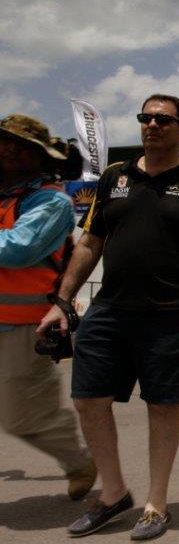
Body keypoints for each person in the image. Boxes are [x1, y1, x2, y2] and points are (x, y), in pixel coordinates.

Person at [38, 94, 179, 541]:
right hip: (111, 309)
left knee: (162, 406)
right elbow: (89, 242)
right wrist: (62, 301)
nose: (152, 125)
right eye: (145, 118)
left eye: (163, 120)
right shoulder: (114, 177)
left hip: (172, 313)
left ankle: (156, 504)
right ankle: (113, 494)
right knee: (88, 398)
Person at [0, 115, 96, 501]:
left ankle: (78, 461)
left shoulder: (51, 200)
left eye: (21, 146)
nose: (8, 149)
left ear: (41, 158)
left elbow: (19, 249)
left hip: (22, 325)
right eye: (4, 141)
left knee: (25, 417)